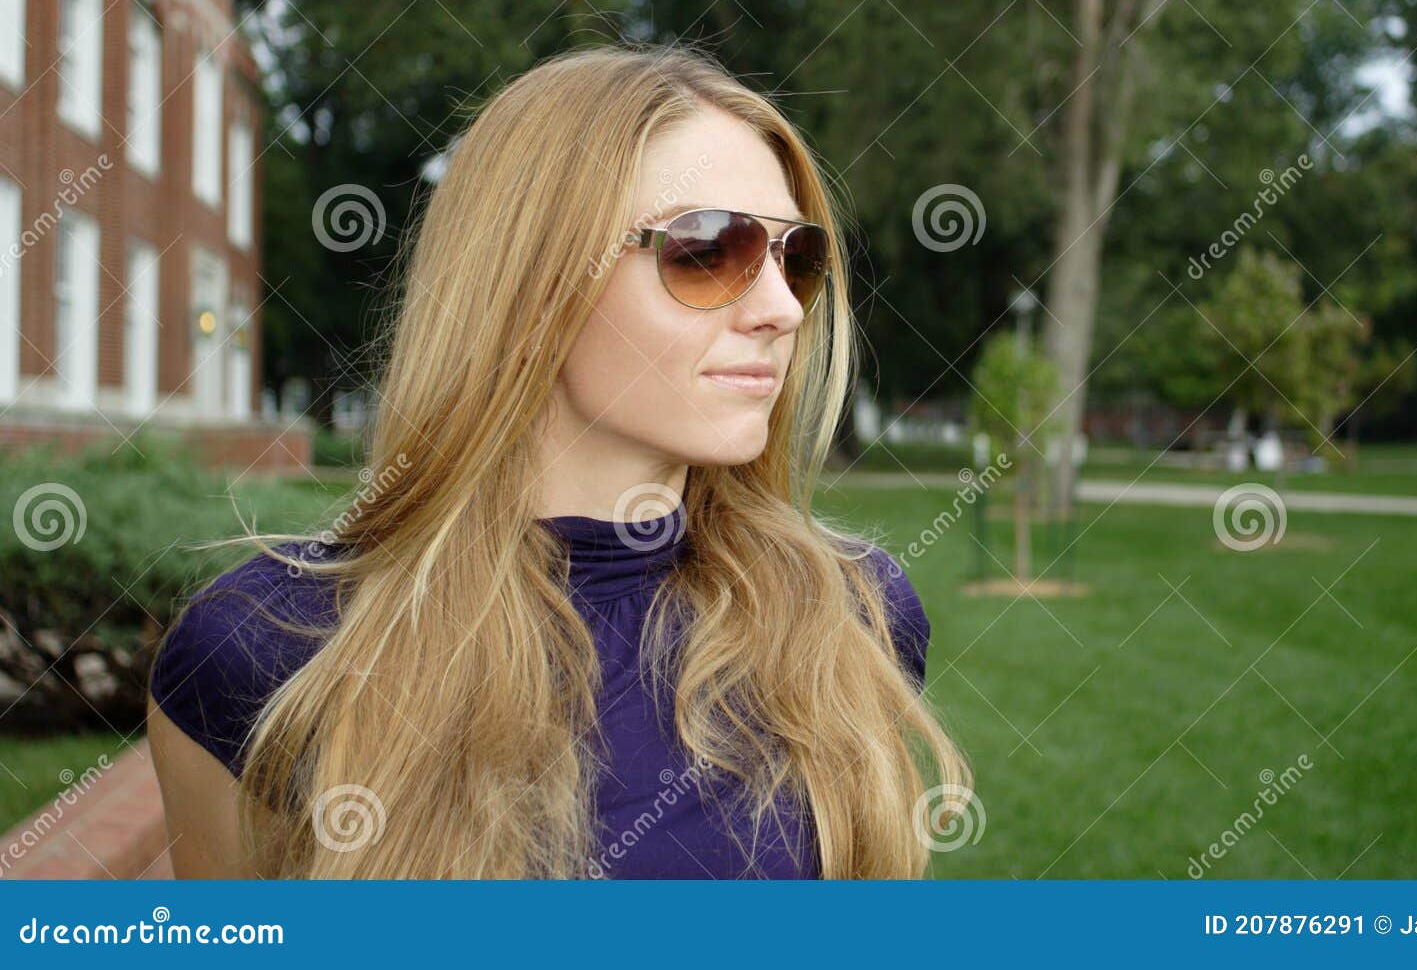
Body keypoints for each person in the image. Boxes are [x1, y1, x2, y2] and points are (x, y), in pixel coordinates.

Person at [146, 42, 972, 879]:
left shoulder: (850, 615)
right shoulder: (266, 649)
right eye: (707, 250)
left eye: (797, 257)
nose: (779, 308)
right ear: (534, 279)